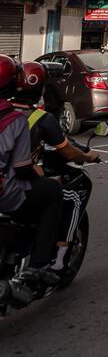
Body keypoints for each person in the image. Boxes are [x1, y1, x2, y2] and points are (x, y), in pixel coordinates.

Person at [14, 62, 101, 273]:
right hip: (15, 183)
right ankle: (52, 261)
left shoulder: (8, 112)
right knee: (69, 197)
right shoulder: (42, 119)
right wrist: (87, 157)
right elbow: (69, 151)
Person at [0, 56, 64, 305]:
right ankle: (36, 266)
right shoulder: (16, 119)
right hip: (5, 194)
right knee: (51, 191)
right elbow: (23, 167)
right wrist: (39, 175)